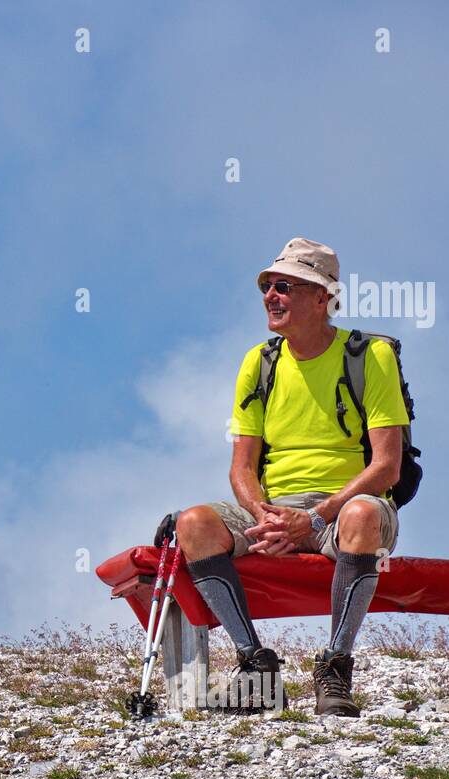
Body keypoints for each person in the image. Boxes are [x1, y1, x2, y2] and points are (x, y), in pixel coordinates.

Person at [174, 238, 409, 717]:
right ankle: (255, 668)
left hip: (345, 511)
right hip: (276, 509)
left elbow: (387, 465)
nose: (270, 295)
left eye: (284, 286)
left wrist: (317, 518)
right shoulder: (259, 362)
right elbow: (241, 466)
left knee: (363, 514)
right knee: (193, 522)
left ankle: (336, 668)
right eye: (267, 286)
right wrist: (264, 516)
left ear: (322, 297)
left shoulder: (372, 356)